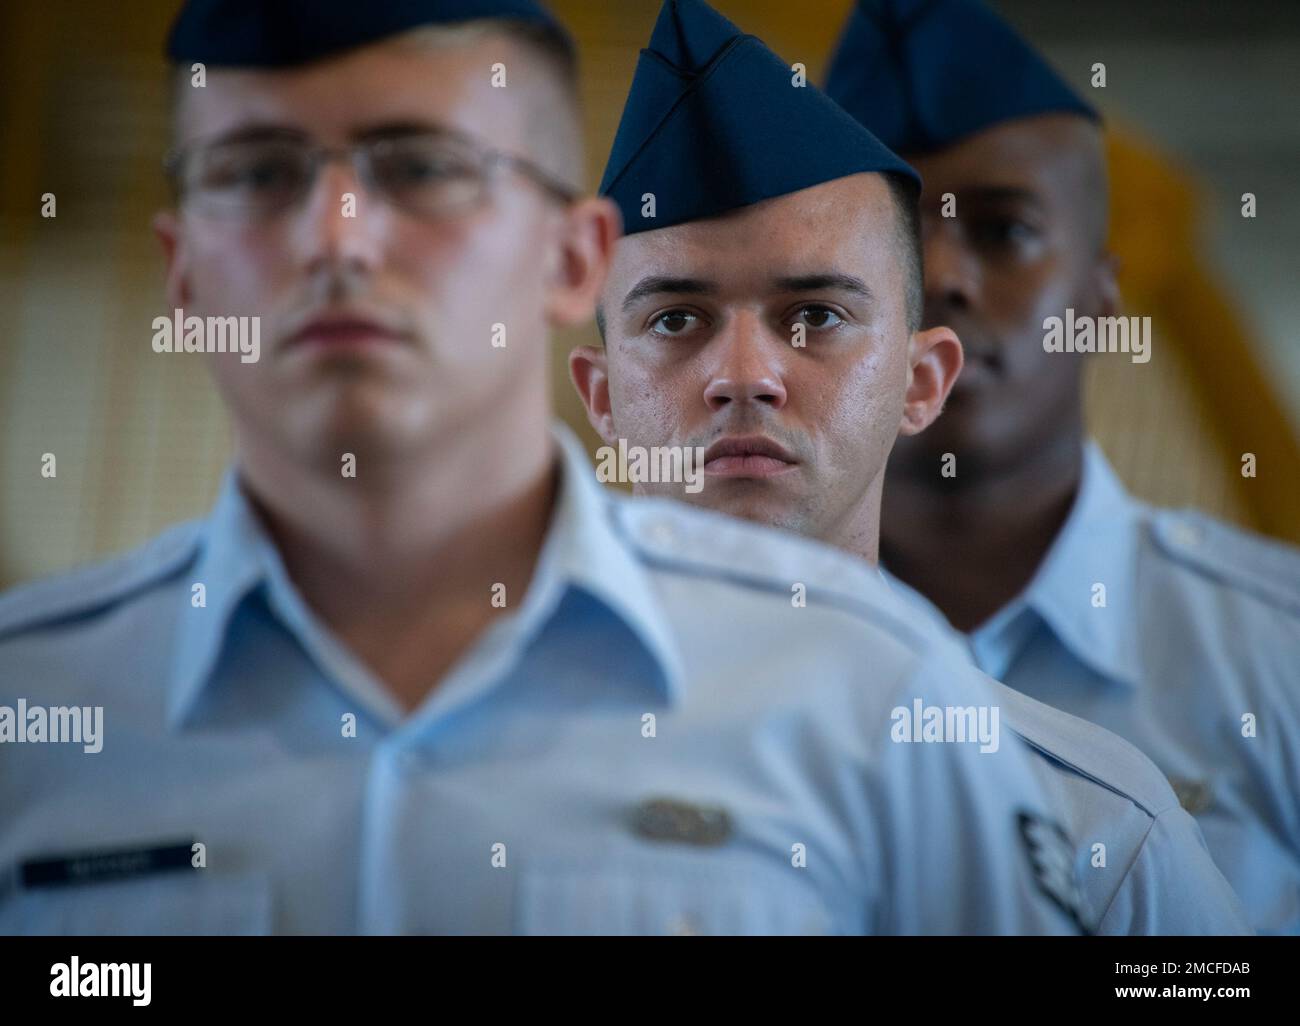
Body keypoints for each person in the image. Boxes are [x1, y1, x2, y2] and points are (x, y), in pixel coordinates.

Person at [0, 0, 1077, 935]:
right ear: (181, 272)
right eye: (258, 174)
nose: (338, 240)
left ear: (566, 255)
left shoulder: (873, 698)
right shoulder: (29, 716)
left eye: (422, 168)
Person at [571, 0, 1250, 933]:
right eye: (676, 319)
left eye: (814, 316)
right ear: (601, 398)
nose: (743, 377)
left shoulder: (1100, 837)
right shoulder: (447, 784)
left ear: (921, 383)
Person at [824, 0, 1300, 933]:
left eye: (1004, 230)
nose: (945, 277)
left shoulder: (1277, 655)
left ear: (1102, 293)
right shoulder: (697, 654)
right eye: (890, 234)